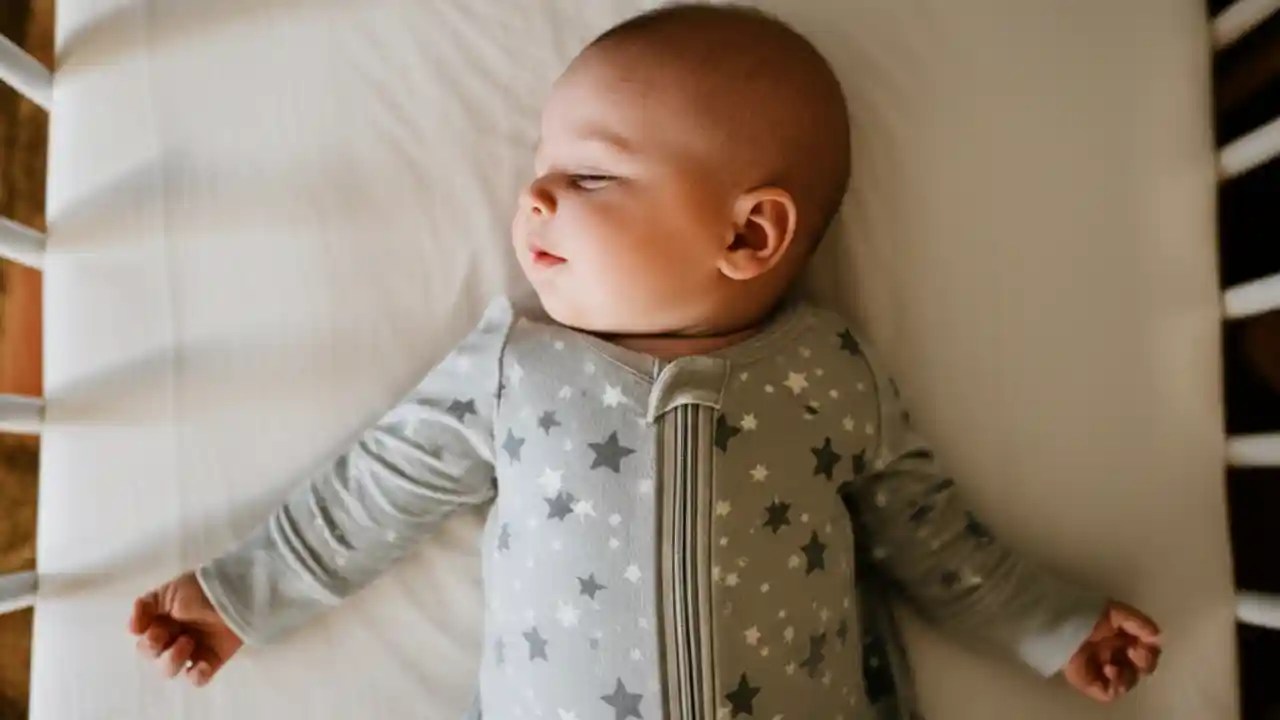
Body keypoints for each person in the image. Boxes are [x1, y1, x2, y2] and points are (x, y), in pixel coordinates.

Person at [129, 5, 1161, 718]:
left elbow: (929, 533)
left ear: (750, 236)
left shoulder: (823, 373)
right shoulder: (514, 371)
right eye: (539, 168)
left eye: (587, 174)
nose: (532, 198)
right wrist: (238, 597)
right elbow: (375, 491)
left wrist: (1050, 624)